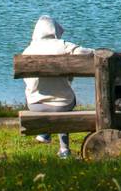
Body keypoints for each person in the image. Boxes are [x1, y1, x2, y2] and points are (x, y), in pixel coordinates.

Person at [20, 14, 94, 158]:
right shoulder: (63, 46)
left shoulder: (28, 51)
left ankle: (45, 133)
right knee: (62, 99)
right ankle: (64, 149)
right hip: (63, 104)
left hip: (35, 105)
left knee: (42, 94)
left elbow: (27, 80)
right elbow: (87, 53)